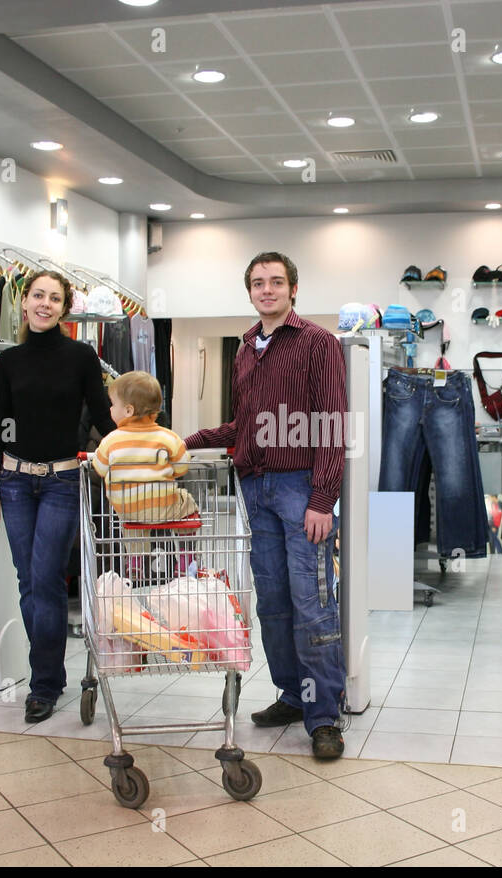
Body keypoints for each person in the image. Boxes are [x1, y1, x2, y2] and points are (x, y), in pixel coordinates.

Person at [184, 252, 349, 759]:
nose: (267, 290)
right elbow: (246, 426)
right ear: (250, 291)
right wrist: (189, 439)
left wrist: (323, 499)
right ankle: (291, 695)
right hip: (255, 488)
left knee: (312, 603)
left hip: (301, 488)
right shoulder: (244, 350)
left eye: (277, 282)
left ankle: (324, 717)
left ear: (293, 289)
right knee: (272, 604)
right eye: (258, 283)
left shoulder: (318, 344)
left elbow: (333, 423)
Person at [0, 270, 115, 723]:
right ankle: (50, 676)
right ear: (24, 303)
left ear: (64, 308)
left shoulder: (81, 356)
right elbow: (0, 424)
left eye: (54, 298)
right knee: (28, 582)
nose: (44, 304)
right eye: (38, 296)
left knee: (46, 579)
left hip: (61, 482)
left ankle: (42, 686)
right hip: (15, 483)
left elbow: (101, 416)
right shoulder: (9, 361)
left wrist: (136, 451)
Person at [91, 371, 198, 555]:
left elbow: (99, 469)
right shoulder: (168, 437)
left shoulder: (110, 440)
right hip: (163, 507)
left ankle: (136, 559)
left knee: (131, 525)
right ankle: (186, 553)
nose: (110, 409)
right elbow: (182, 467)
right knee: (188, 502)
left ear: (128, 410)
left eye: (113, 404)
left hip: (126, 509)